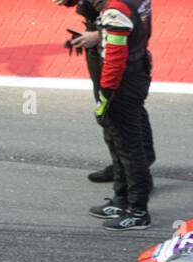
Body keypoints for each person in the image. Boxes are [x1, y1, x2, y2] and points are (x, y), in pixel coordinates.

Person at [63, 0, 157, 185]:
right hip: (118, 52)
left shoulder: (118, 7)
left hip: (120, 58)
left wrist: (98, 35)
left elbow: (132, 20)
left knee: (117, 119)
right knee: (121, 116)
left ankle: (135, 180)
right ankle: (126, 170)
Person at [89, 4, 154, 231]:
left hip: (122, 84)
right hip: (136, 72)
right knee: (116, 142)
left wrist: (106, 94)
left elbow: (115, 59)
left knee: (128, 148)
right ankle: (121, 200)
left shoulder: (116, 10)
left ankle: (138, 211)